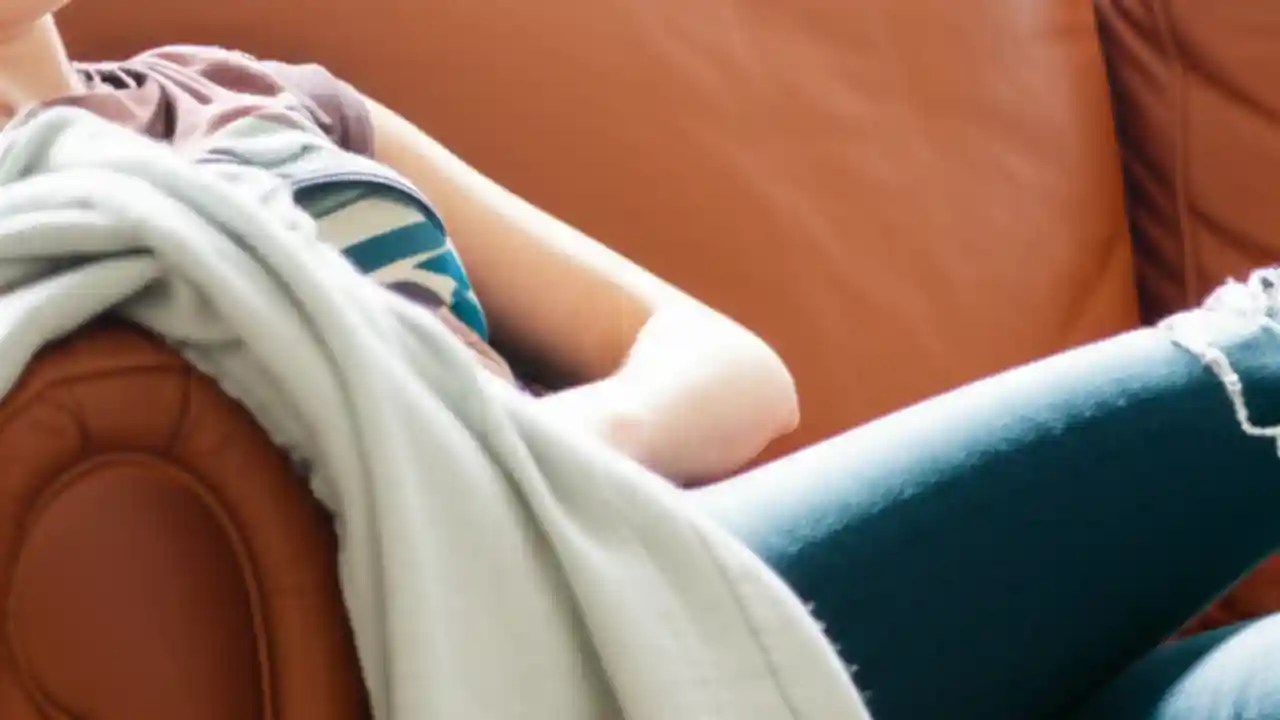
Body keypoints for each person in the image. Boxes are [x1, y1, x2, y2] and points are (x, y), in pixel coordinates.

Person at [2, 3, 1278, 718]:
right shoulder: (38, 208)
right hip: (513, 632)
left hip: (646, 547)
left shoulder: (253, 95)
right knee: (1258, 359)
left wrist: (536, 457)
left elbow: (726, 369)